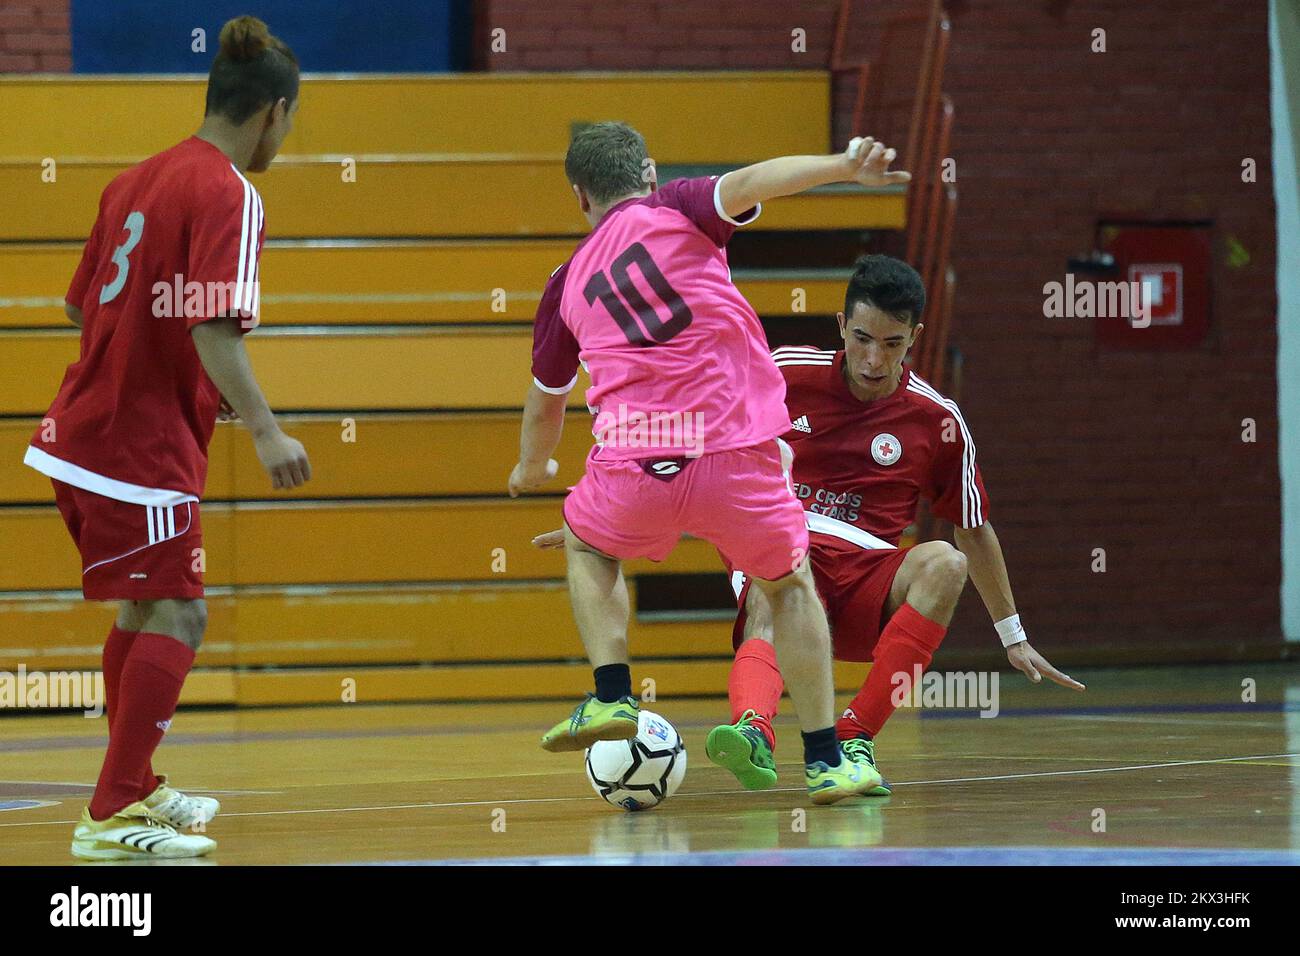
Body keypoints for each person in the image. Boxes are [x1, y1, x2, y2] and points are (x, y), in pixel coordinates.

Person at [510, 123, 909, 803]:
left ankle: (612, 693)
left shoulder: (563, 281)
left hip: (635, 461)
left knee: (585, 543)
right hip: (734, 449)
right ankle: (825, 761)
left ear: (580, 197)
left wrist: (530, 472)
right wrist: (843, 165)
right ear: (649, 173)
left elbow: (546, 404)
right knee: (786, 588)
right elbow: (756, 180)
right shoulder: (678, 205)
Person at [24, 15, 311, 859]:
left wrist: (182, 378)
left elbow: (83, 307)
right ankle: (112, 808)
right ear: (274, 112)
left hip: (79, 436)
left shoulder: (133, 179)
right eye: (290, 124)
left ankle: (134, 785)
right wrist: (265, 429)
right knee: (181, 615)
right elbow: (214, 326)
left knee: (144, 608)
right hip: (136, 450)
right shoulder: (229, 191)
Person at [706, 254, 1085, 792]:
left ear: (915, 337)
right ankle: (754, 731)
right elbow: (704, 430)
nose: (873, 359)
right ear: (840, 326)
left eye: (892, 343)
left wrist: (1013, 636)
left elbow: (973, 528)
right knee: (778, 576)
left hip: (866, 584)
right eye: (861, 338)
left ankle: (853, 737)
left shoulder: (937, 420)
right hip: (786, 551)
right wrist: (609, 518)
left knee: (945, 562)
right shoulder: (782, 371)